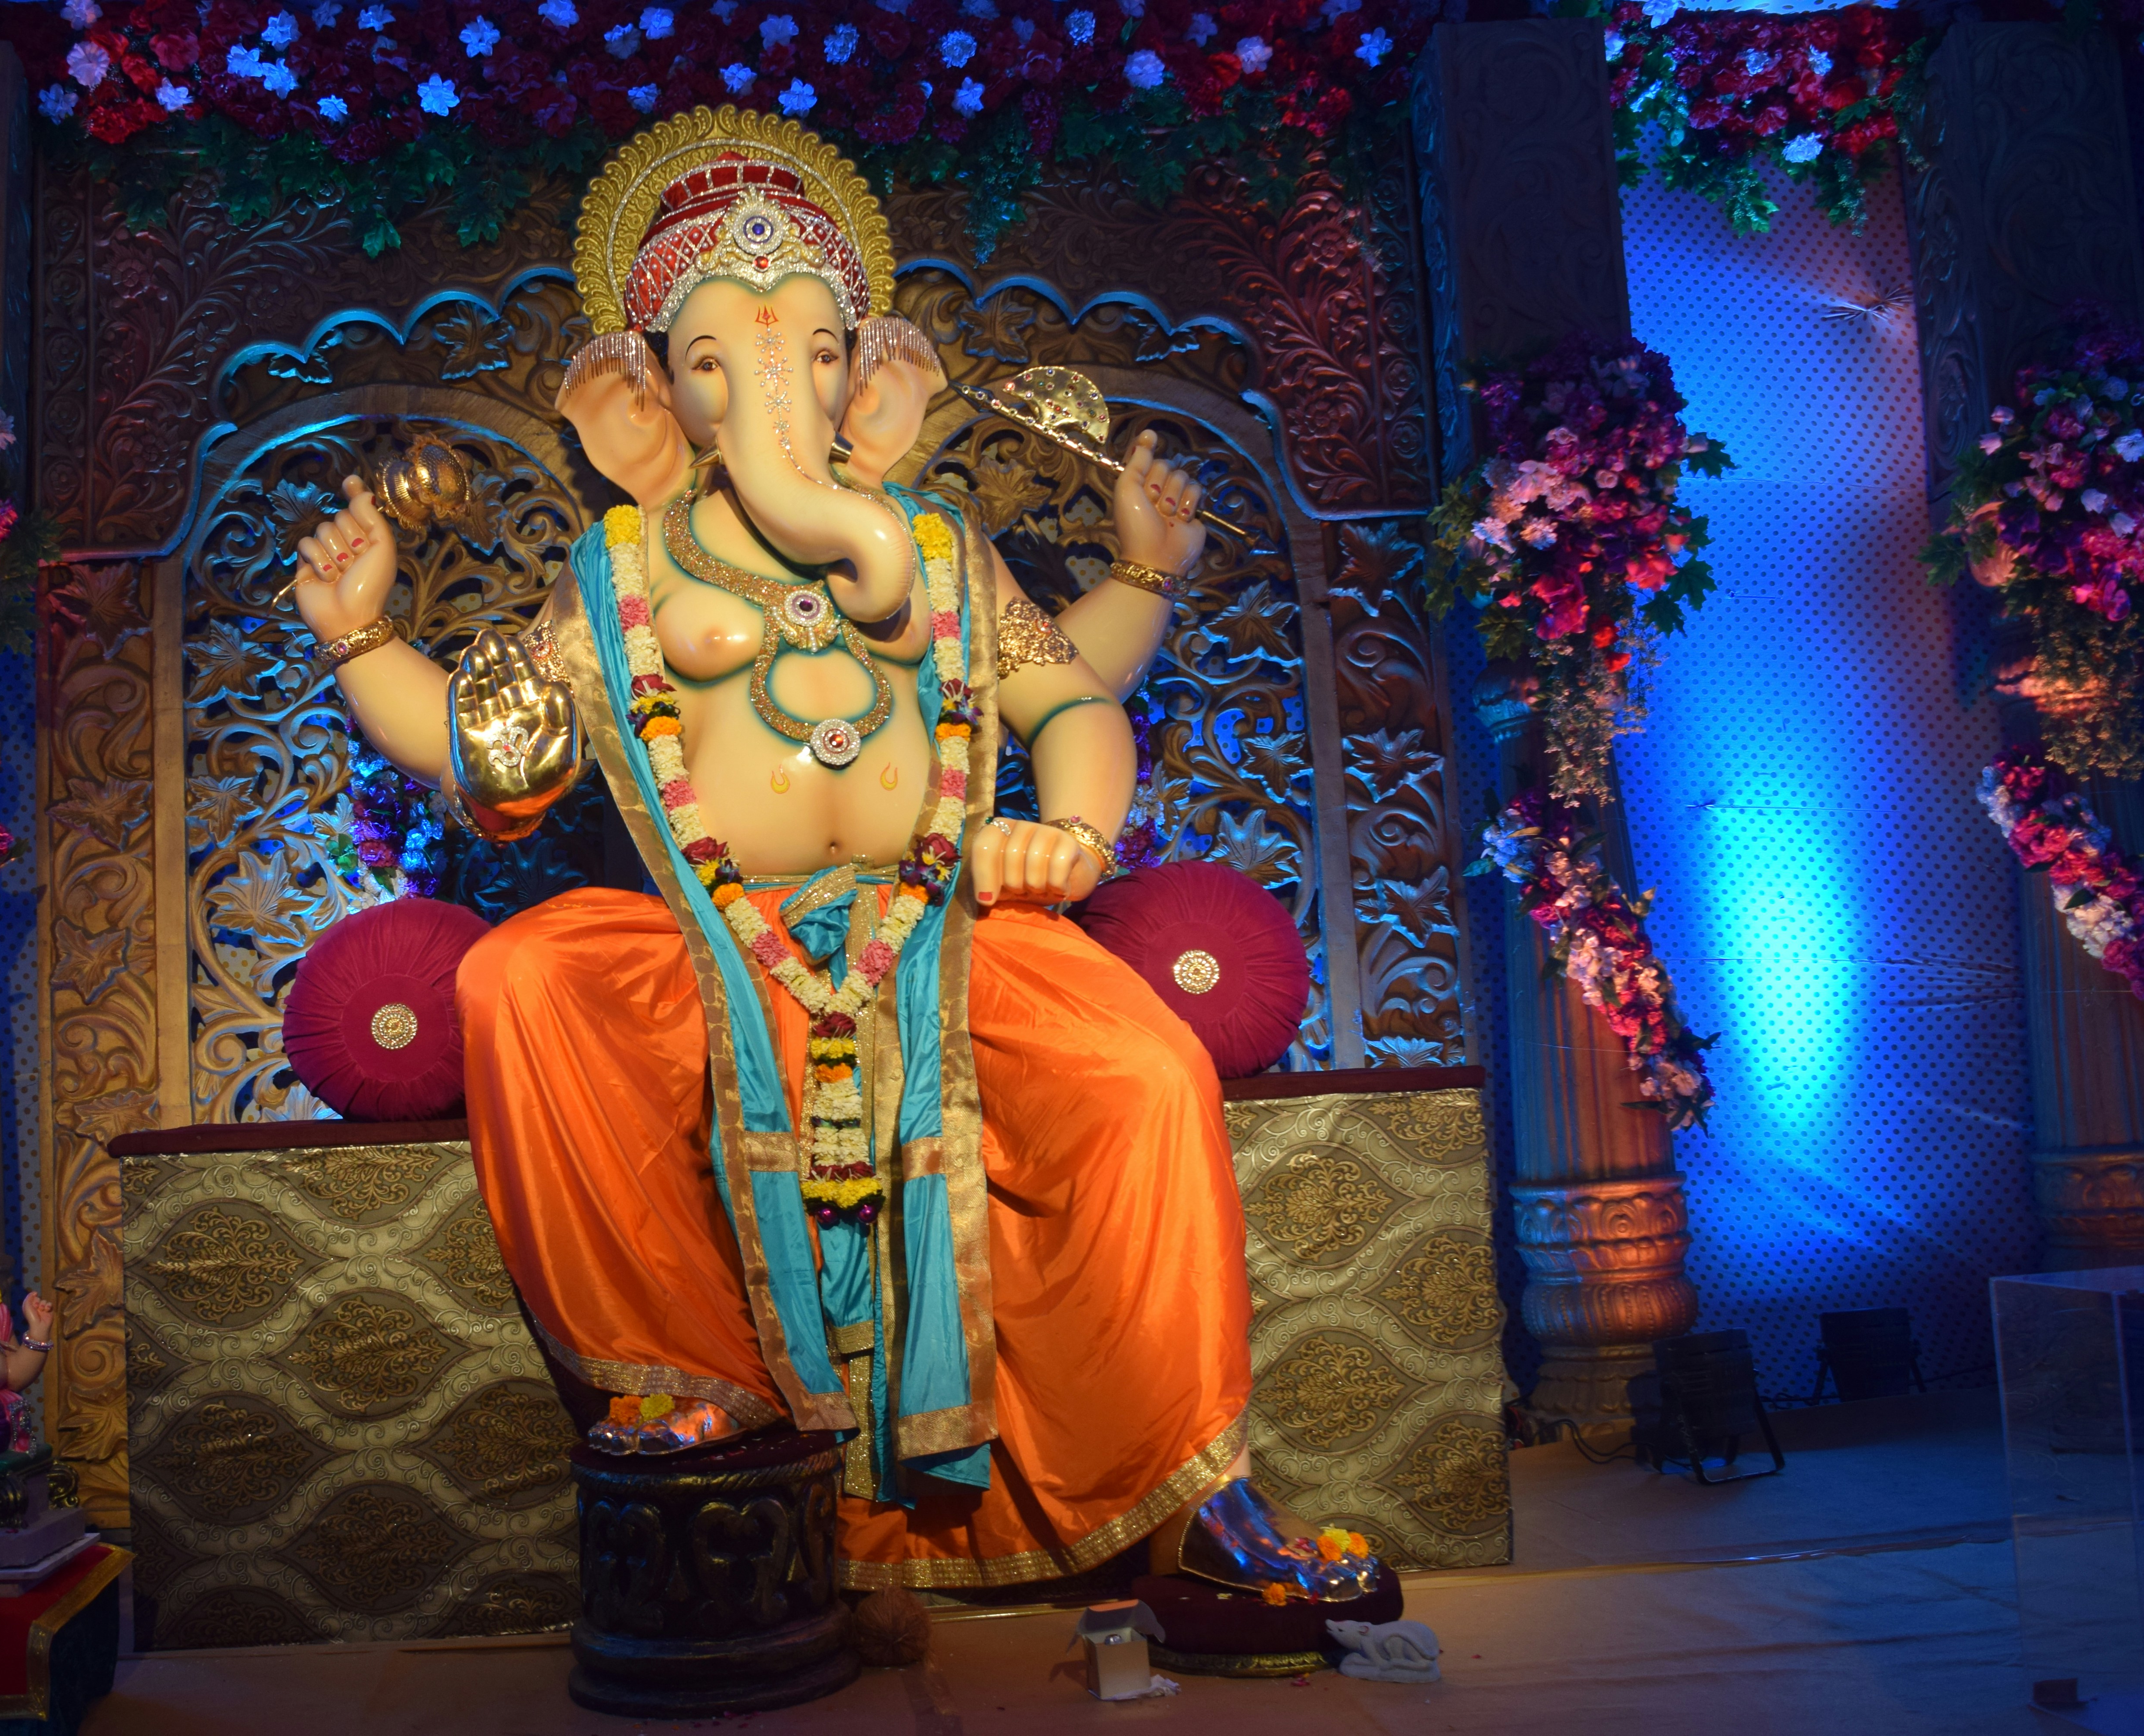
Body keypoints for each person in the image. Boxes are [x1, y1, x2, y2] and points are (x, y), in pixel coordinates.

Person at [292, 108, 1379, 1602]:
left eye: (810, 352)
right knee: (528, 982)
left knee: (1145, 1073)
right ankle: (686, 1390)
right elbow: (499, 754)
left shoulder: (932, 550)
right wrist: (362, 636)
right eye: (722, 360)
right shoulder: (622, 570)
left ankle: (1191, 1487)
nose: (775, 395)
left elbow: (1070, 697)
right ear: (661, 392)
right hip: (709, 944)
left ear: (861, 375)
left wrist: (1068, 832)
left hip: (945, 929)